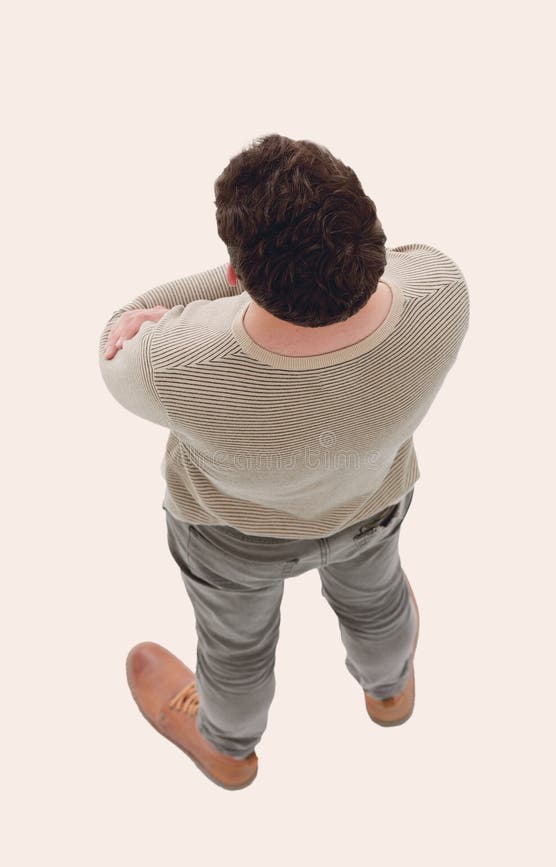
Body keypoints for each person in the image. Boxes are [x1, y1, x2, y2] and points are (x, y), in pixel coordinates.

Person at [99, 133, 470, 790]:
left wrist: (221, 285)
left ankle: (229, 749)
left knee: (236, 651)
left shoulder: (173, 361)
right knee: (380, 604)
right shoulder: (442, 287)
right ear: (372, 230)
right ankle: (389, 690)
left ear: (239, 274)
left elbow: (123, 327)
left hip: (230, 543)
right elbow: (401, 259)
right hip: (371, 509)